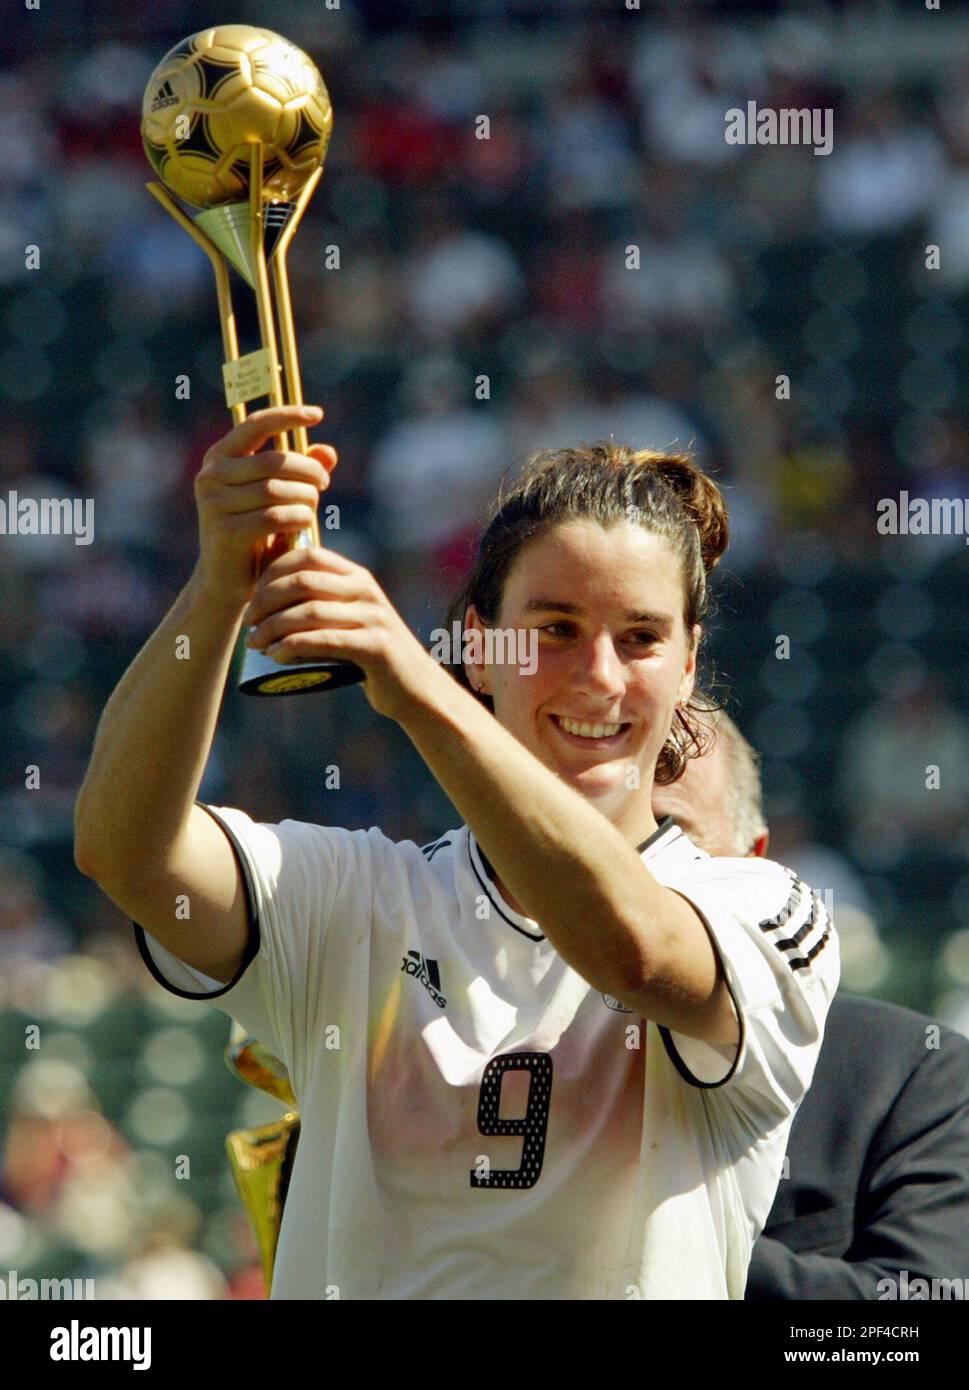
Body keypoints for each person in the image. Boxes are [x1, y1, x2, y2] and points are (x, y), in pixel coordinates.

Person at [74, 403, 838, 1300]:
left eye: (640, 638)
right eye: (554, 628)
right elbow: (125, 851)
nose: (599, 676)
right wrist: (217, 583)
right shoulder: (357, 895)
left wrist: (412, 688)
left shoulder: (765, 907)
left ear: (687, 663)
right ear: (479, 645)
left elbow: (630, 953)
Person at [653, 712, 969, 1300]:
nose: (621, 879)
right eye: (591, 841)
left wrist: (666, 1237)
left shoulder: (908, 1075)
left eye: (669, 835)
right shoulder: (452, 1051)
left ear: (754, 862)